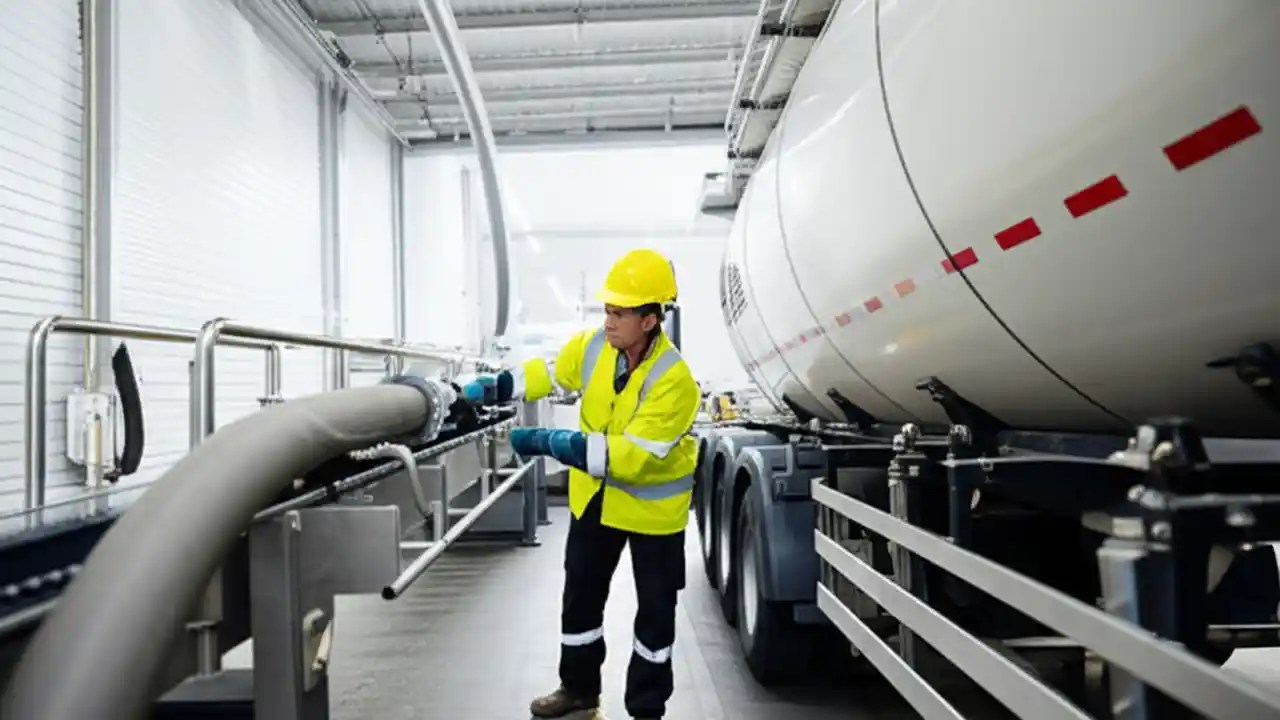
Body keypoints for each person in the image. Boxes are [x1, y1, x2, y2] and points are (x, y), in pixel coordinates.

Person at [502, 249, 701, 720]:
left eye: (619, 313)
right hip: (595, 501)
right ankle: (577, 689)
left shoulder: (676, 381)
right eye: (606, 311)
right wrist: (496, 387)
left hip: (653, 513)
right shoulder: (594, 347)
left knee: (655, 613)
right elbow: (548, 374)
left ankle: (647, 706)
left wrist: (551, 440)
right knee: (581, 597)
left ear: (651, 319)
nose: (608, 322)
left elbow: (627, 458)